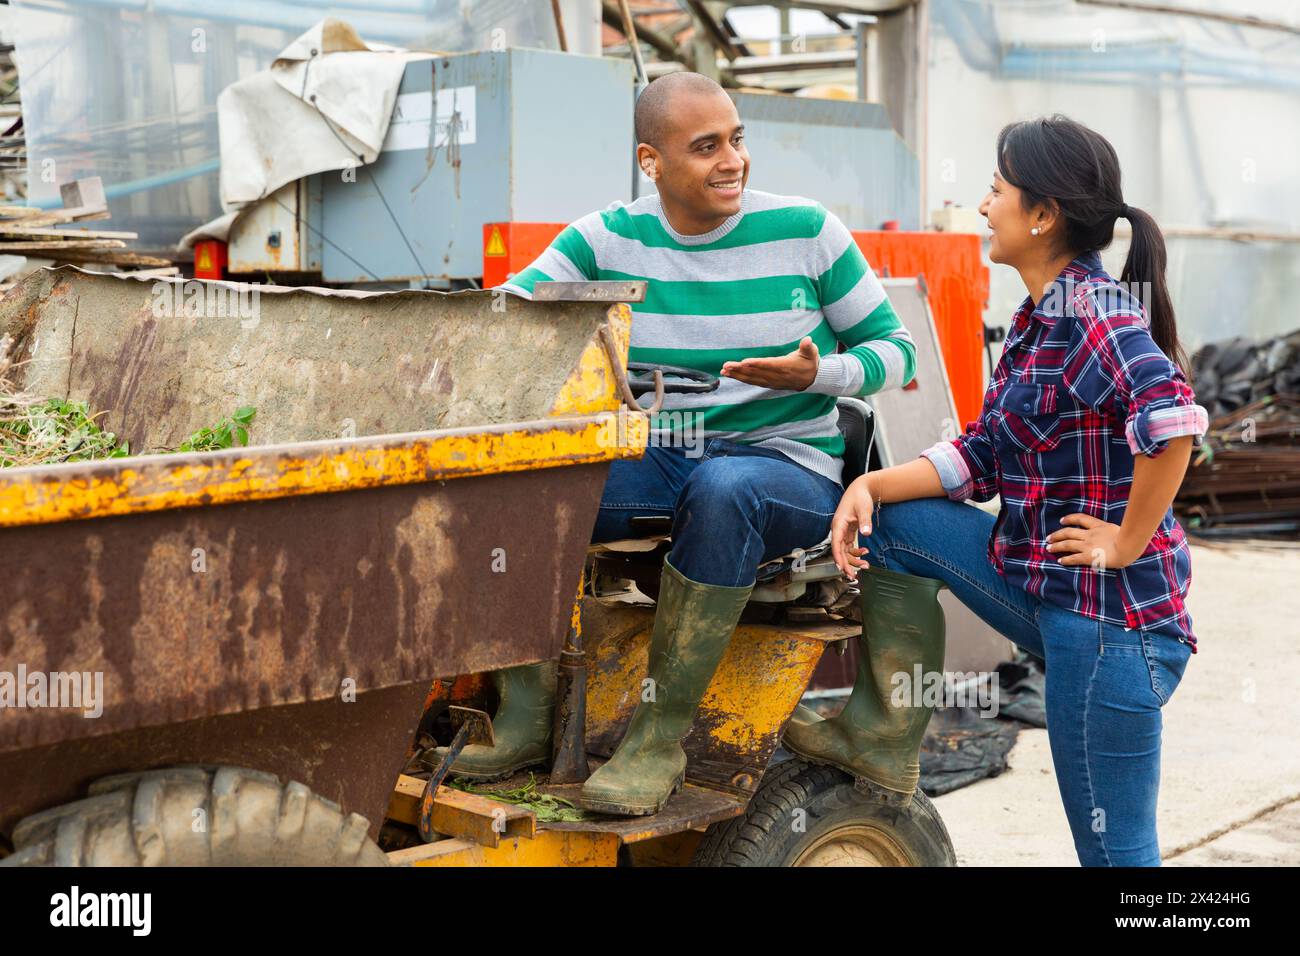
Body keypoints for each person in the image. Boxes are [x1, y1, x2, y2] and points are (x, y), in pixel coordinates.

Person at [439, 72, 917, 816]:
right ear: (651, 161)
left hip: (787, 465)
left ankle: (657, 738)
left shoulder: (807, 231)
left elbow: (899, 352)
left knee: (724, 490)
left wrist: (823, 371)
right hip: (666, 454)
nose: (732, 160)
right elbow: (511, 325)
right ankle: (528, 715)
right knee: (521, 484)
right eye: (706, 147)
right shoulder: (605, 239)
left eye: (737, 139)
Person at [788, 114, 1208, 866]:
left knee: (1116, 854)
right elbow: (982, 453)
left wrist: (1126, 540)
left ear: (1043, 215)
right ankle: (880, 735)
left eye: (995, 190)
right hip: (1050, 595)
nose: (983, 206)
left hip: (1112, 627)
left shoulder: (1096, 314)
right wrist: (870, 483)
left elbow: (1173, 423)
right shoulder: (1039, 316)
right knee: (895, 522)